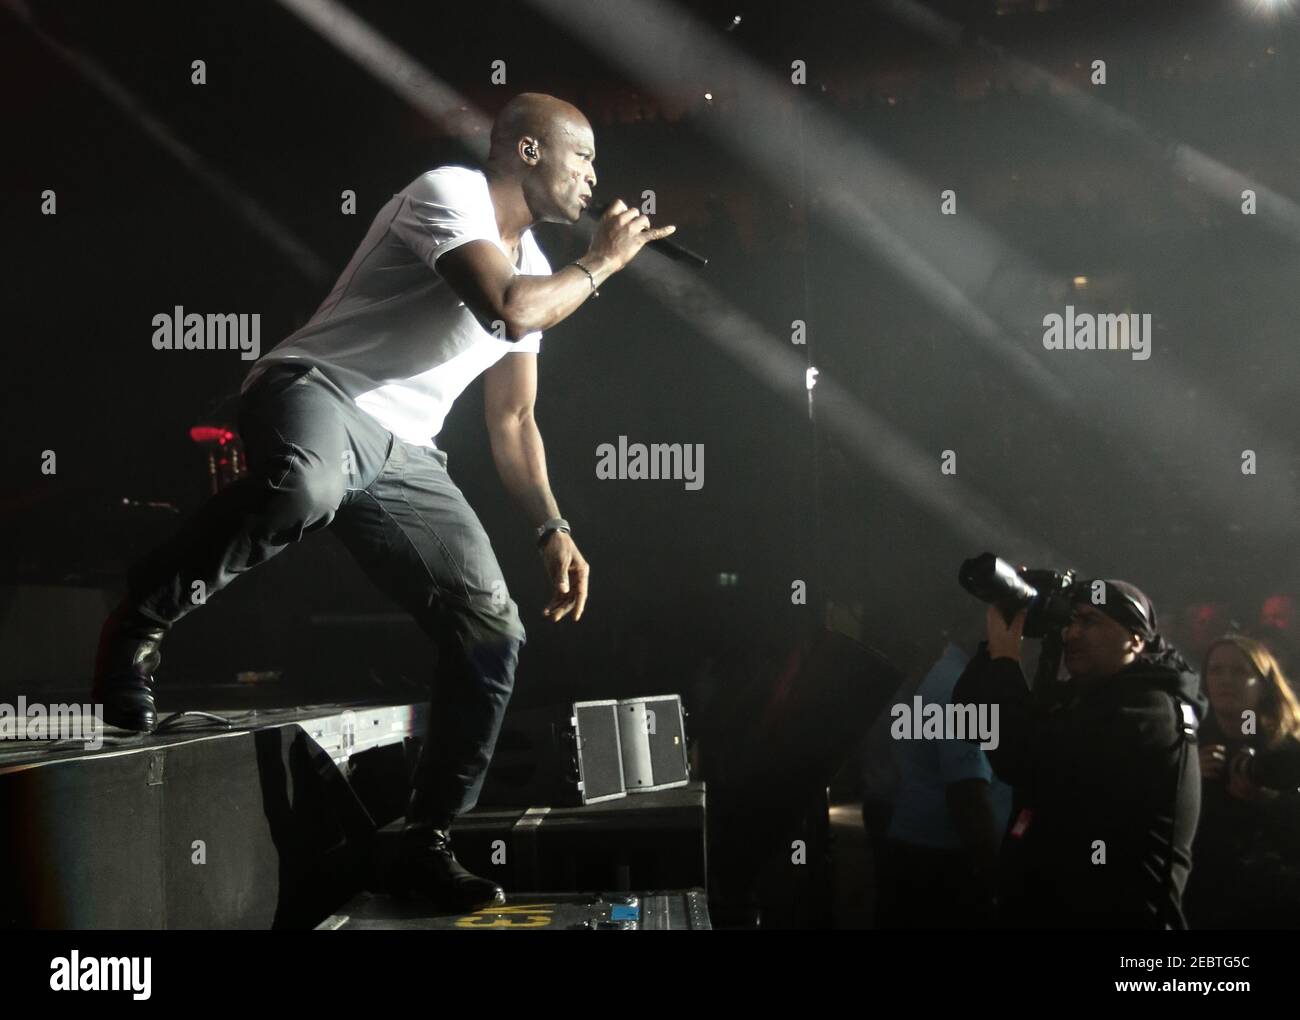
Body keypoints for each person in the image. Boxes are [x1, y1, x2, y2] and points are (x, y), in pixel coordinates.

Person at [91, 92, 675, 911]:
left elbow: (513, 418)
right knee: (308, 482)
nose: (594, 177)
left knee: (492, 630)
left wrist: (552, 525)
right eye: (582, 157)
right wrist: (604, 264)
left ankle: (424, 838)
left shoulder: (545, 266)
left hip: (408, 454)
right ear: (530, 152)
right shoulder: (450, 193)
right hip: (318, 391)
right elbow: (506, 309)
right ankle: (144, 616)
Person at [952, 579, 1205, 928]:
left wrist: (1007, 660)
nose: (1071, 633)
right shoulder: (1082, 698)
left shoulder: (1150, 710)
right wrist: (994, 649)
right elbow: (970, 721)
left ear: (1135, 637)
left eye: (1090, 621)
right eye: (1069, 621)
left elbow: (1023, 759)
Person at [878, 632, 1013, 929]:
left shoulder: (950, 674)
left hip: (924, 858)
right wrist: (997, 883)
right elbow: (968, 797)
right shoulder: (962, 685)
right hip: (946, 868)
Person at [1183, 634, 1300, 927]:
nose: (1226, 680)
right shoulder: (1185, 745)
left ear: (1263, 683)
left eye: (1239, 672)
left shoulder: (1287, 751)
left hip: (1275, 903)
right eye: (1216, 670)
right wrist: (1187, 778)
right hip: (1202, 900)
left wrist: (1268, 801)